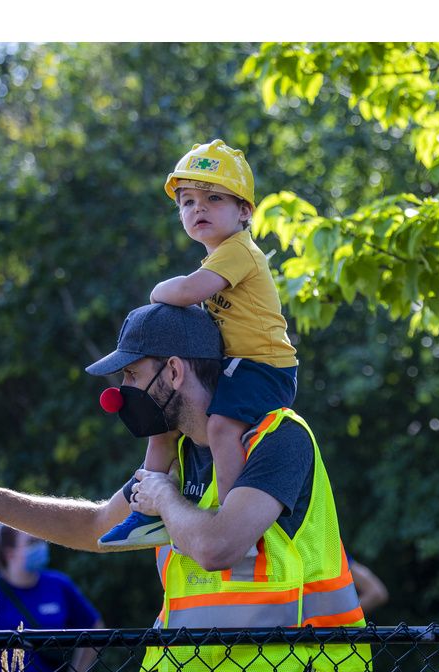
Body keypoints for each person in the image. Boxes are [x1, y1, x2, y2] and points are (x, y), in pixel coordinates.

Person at [0, 302, 369, 672]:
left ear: (174, 372)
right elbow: (94, 525)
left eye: (132, 376)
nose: (122, 393)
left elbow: (219, 547)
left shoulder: (278, 438)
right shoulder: (175, 450)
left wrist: (165, 497)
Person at [99, 139, 298, 550]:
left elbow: (188, 292)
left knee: (222, 427)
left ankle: (230, 519)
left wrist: (157, 290)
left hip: (265, 366)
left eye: (213, 197)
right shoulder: (219, 257)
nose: (198, 208)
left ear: (244, 211)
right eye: (187, 202)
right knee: (163, 418)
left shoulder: (239, 251)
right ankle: (143, 512)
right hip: (235, 363)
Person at [0, 522, 103, 672]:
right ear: (10, 552)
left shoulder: (58, 585)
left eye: (41, 540)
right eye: (32, 542)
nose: (41, 546)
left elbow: (95, 627)